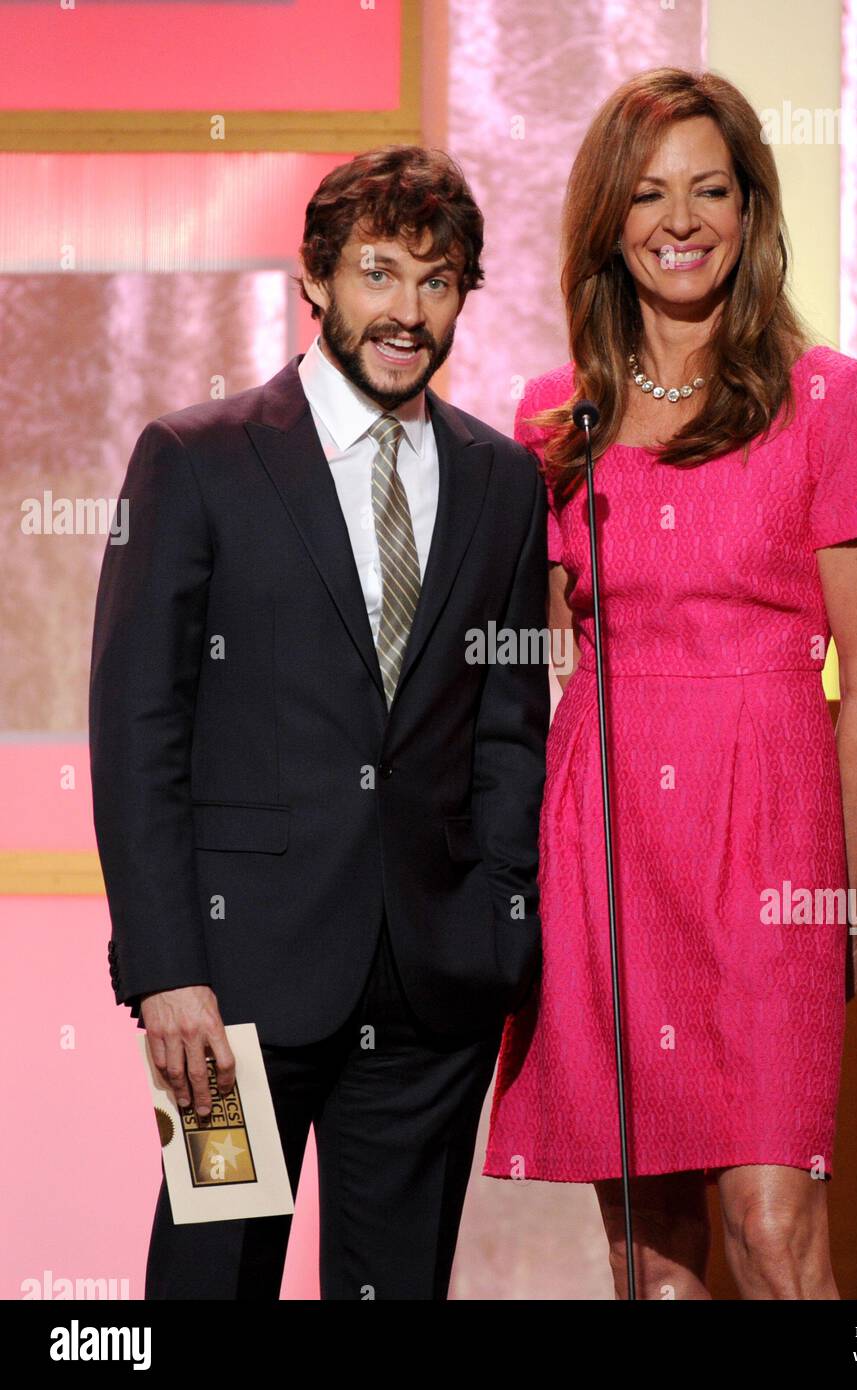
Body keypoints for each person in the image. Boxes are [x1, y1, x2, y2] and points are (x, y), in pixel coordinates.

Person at [89, 146, 549, 1300]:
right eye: (379, 274)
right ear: (316, 278)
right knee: (205, 1281)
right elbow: (137, 726)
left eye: (436, 282)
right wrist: (165, 970)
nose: (406, 311)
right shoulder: (193, 458)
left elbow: (507, 724)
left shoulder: (502, 481)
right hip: (223, 997)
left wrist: (497, 925)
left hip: (432, 992)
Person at [483, 69, 857, 1300]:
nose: (683, 221)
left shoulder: (833, 402)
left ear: (751, 207)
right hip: (609, 843)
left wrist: (843, 902)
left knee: (777, 1233)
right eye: (651, 193)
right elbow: (525, 667)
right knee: (652, 1263)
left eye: (711, 189)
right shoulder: (552, 421)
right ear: (610, 221)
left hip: (773, 844)